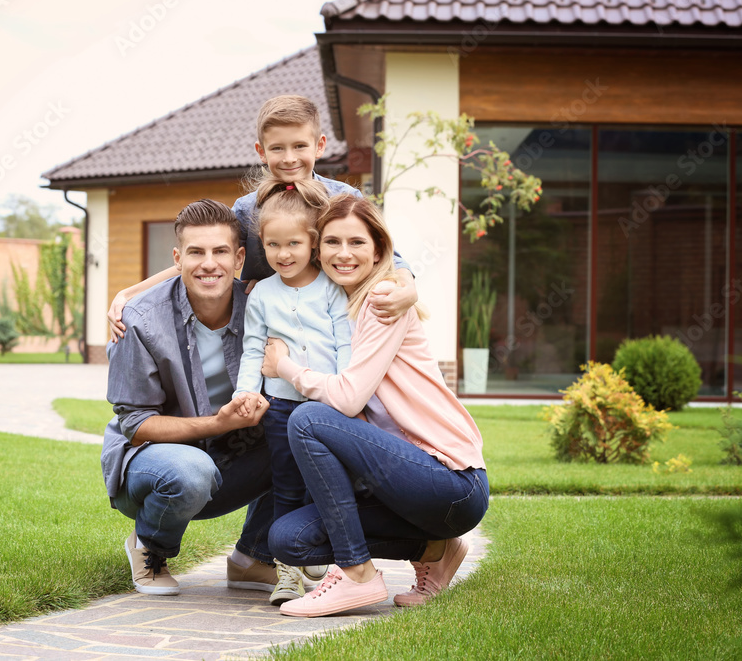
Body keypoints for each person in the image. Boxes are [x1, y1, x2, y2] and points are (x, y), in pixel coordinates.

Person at [260, 194, 489, 618]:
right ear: (317, 250)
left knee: (308, 419)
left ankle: (357, 574)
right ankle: (436, 548)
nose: (343, 254)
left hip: (451, 480)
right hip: (403, 484)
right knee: (288, 539)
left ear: (380, 250)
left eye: (357, 242)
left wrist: (285, 367)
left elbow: (348, 399)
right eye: (332, 242)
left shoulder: (383, 298)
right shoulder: (338, 307)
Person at [105, 94, 419, 343]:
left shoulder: (343, 200)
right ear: (261, 151)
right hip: (270, 328)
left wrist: (408, 288)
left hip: (335, 325)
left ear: (319, 146)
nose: (289, 158)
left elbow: (389, 257)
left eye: (300, 146)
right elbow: (204, 255)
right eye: (277, 148)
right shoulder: (247, 209)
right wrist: (130, 293)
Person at [102, 198, 278, 596]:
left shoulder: (261, 308)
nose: (209, 264)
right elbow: (136, 425)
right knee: (191, 471)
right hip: (154, 466)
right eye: (196, 252)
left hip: (231, 458)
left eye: (220, 252)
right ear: (178, 258)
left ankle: (254, 557)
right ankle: (150, 546)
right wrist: (218, 423)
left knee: (306, 432)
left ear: (239, 258)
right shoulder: (140, 320)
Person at [231, 176, 351, 606]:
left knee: (325, 484)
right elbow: (252, 349)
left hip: (326, 405)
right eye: (273, 245)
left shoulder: (333, 288)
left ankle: (322, 558)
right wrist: (246, 393)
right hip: (281, 406)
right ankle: (286, 572)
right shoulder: (262, 294)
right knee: (284, 485)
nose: (283, 254)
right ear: (261, 245)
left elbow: (345, 344)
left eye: (294, 244)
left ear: (313, 243)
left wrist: (347, 391)